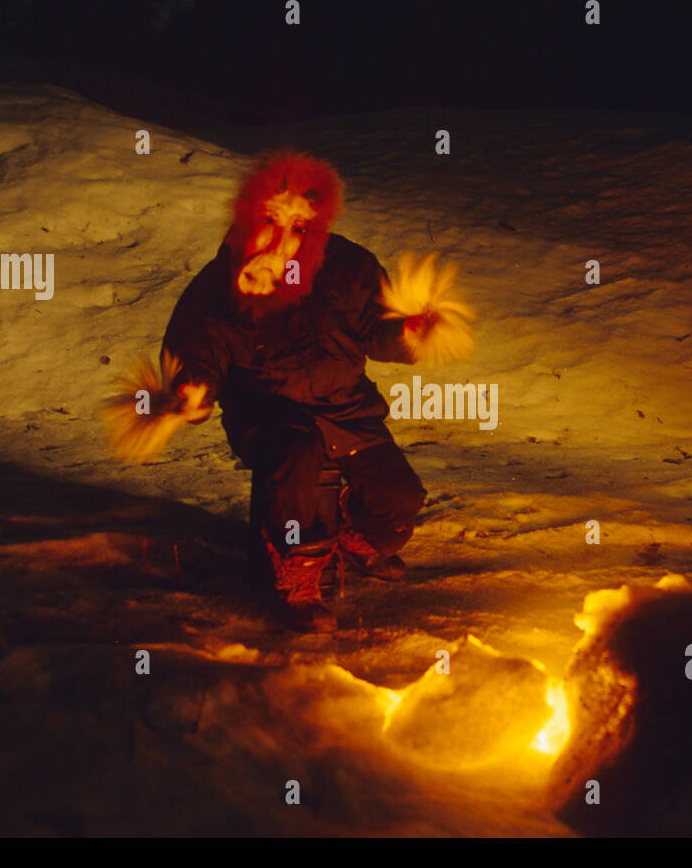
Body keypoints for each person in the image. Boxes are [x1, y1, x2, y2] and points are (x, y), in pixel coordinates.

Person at [106, 151, 473, 632]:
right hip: (271, 415)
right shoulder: (216, 290)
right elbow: (196, 357)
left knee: (400, 499)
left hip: (346, 410)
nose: (283, 240)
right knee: (297, 457)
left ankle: (351, 538)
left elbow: (375, 329)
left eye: (299, 226)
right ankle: (295, 570)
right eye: (269, 221)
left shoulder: (348, 267)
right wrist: (189, 393)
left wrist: (408, 331)